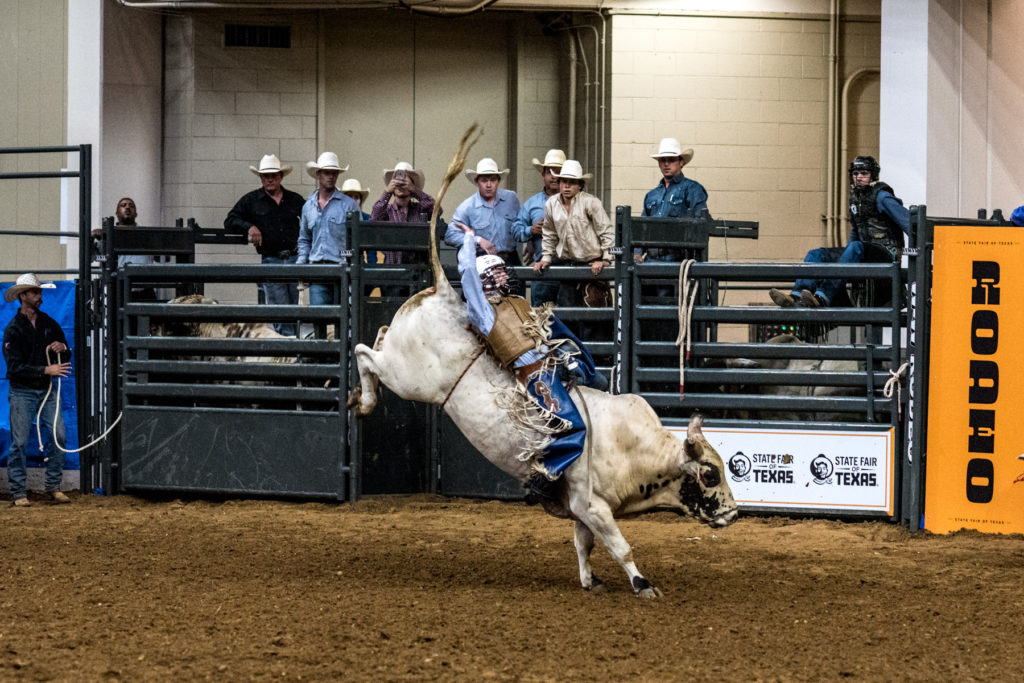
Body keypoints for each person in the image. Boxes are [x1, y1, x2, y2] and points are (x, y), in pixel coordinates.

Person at [454, 226, 598, 504]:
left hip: (551, 361)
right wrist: (470, 238)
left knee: (596, 380)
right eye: (496, 272)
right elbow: (468, 272)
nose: (503, 275)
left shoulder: (517, 302)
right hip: (535, 373)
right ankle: (543, 478)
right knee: (571, 426)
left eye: (502, 271)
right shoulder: (483, 310)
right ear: (484, 280)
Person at [769, 155, 911, 308]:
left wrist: (918, 251)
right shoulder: (856, 199)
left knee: (855, 247)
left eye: (864, 173)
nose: (859, 177)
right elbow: (856, 231)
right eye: (856, 174)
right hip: (862, 252)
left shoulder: (882, 197)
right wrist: (847, 257)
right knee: (816, 254)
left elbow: (908, 222)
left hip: (886, 253)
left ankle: (823, 296)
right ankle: (796, 296)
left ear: (873, 175)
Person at [3, 274, 72, 507]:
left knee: (59, 436)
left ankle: (52, 486)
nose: (39, 296)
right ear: (23, 296)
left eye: (39, 292)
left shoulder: (48, 323)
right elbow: (14, 368)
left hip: (45, 390)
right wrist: (46, 370)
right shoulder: (13, 330)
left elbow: (66, 352)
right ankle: (18, 492)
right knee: (19, 442)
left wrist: (63, 348)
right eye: (35, 292)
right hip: (23, 391)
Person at [224, 155, 305, 336]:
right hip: (272, 258)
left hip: (294, 259)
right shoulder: (251, 200)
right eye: (266, 176)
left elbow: (310, 221)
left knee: (296, 309)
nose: (270, 179)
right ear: (261, 178)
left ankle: (293, 344)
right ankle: (288, 346)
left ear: (280, 177)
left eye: (273, 175)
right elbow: (230, 220)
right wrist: (249, 227)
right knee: (280, 309)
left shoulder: (295, 200)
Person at [532, 159, 614, 307]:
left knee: (594, 309)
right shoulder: (551, 204)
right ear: (559, 183)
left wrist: (606, 260)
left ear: (580, 185)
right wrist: (546, 257)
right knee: (567, 310)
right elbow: (549, 232)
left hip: (591, 264)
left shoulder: (591, 202)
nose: (567, 186)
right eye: (564, 181)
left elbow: (606, 231)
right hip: (567, 264)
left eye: (572, 182)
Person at [444, 158, 522, 293]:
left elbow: (520, 222)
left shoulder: (511, 199)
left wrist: (530, 242)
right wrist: (477, 240)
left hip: (510, 260)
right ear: (477, 182)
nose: (489, 185)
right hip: (483, 264)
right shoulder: (467, 207)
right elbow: (450, 234)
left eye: (493, 180)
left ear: (498, 181)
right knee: (484, 303)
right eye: (484, 180)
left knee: (517, 301)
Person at [296, 152, 360, 306]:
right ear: (318, 174)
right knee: (321, 315)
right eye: (327, 173)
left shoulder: (349, 205)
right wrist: (301, 264)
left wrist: (348, 259)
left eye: (334, 173)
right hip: (317, 270)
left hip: (342, 270)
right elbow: (305, 239)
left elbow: (358, 240)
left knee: (342, 315)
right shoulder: (308, 206)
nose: (331, 177)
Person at [641, 137, 710, 261]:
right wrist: (637, 253)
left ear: (681, 162)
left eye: (671, 160)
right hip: (651, 260)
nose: (666, 164)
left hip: (679, 260)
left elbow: (701, 226)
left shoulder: (692, 189)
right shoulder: (651, 195)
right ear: (659, 163)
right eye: (663, 160)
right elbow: (641, 228)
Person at [512, 149, 564, 306]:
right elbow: (515, 230)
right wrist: (531, 231)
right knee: (541, 315)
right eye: (549, 172)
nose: (554, 176)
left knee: (571, 315)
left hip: (569, 270)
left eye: (558, 172)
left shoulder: (576, 202)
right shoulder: (532, 204)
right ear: (543, 174)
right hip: (542, 271)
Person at [370, 162, 437, 265]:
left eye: (405, 181)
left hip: (417, 269)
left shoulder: (420, 209)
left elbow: (437, 210)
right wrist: (387, 191)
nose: (400, 184)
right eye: (397, 181)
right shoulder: (387, 210)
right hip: (392, 268)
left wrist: (415, 190)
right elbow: (374, 217)